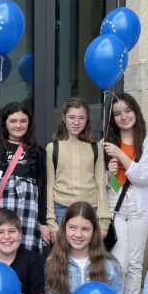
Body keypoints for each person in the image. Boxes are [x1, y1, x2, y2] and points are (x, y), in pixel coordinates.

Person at [103, 93, 148, 294]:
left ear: (135, 112)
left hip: (140, 208)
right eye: (117, 113)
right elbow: (109, 185)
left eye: (127, 111)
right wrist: (109, 174)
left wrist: (121, 155)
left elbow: (144, 177)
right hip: (115, 207)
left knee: (136, 263)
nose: (123, 116)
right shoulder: (103, 144)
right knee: (119, 262)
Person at [0, 102, 48, 253]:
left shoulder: (37, 151)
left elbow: (43, 186)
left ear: (29, 123)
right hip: (2, 208)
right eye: (13, 121)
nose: (18, 125)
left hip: (29, 211)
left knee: (27, 254)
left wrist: (43, 221)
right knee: (0, 249)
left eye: (23, 121)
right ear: (4, 123)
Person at [46, 97, 110, 240]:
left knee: (88, 256)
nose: (76, 122)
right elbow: (50, 185)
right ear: (63, 118)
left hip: (90, 209)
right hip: (61, 209)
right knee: (62, 257)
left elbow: (100, 183)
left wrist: (104, 221)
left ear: (87, 120)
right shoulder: (53, 148)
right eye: (71, 117)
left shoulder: (96, 148)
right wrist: (51, 222)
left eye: (81, 118)